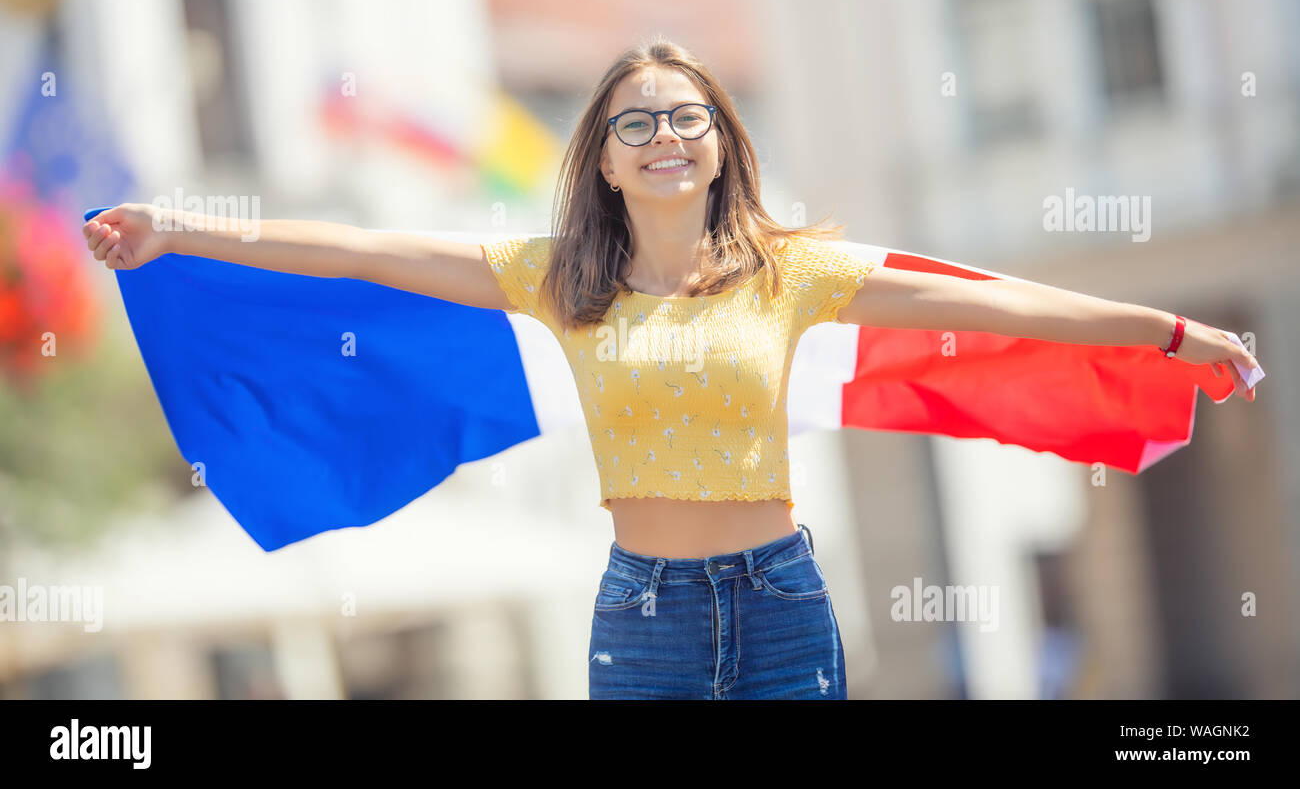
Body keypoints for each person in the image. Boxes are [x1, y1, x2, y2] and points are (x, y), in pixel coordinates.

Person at [81, 38, 1259, 699]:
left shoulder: (789, 273)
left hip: (783, 604)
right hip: (636, 613)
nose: (661, 138)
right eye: (632, 123)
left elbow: (989, 304)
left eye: (683, 117)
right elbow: (368, 251)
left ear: (720, 143)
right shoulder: (554, 277)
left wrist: (1163, 330)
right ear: (598, 158)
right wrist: (181, 232)